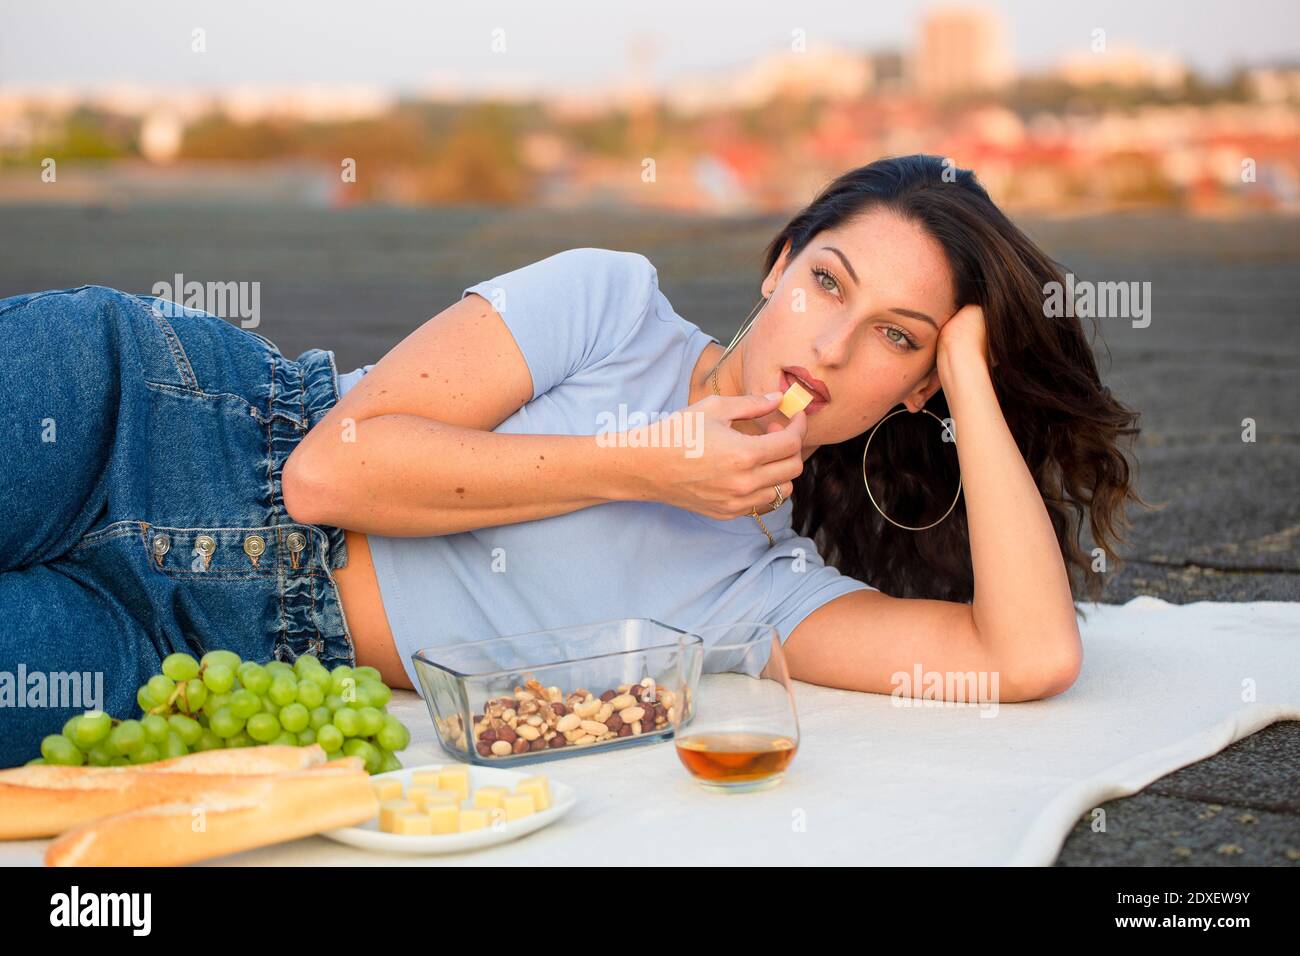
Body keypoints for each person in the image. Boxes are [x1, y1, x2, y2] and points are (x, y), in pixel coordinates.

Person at [0, 155, 1143, 768]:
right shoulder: (611, 302)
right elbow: (328, 474)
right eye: (828, 281)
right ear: (778, 264)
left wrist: (976, 373)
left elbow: (1027, 654)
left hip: (184, 656)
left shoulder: (767, 595)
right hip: (154, 414)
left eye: (898, 335)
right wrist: (647, 463)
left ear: (916, 385)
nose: (832, 344)